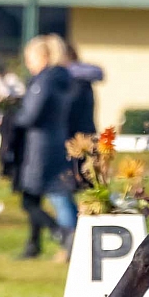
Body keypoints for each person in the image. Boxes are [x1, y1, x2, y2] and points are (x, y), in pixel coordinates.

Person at [12, 34, 76, 258]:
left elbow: (31, 115)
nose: (29, 63)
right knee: (59, 195)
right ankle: (40, 244)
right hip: (56, 141)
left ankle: (66, 236)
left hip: (41, 148)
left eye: (30, 58)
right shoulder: (64, 79)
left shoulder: (44, 82)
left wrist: (8, 120)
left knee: (42, 197)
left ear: (43, 57)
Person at [43, 43, 101, 255]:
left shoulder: (72, 84)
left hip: (74, 145)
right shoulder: (83, 83)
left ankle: (72, 245)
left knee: (60, 193)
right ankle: (78, 242)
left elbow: (65, 115)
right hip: (85, 142)